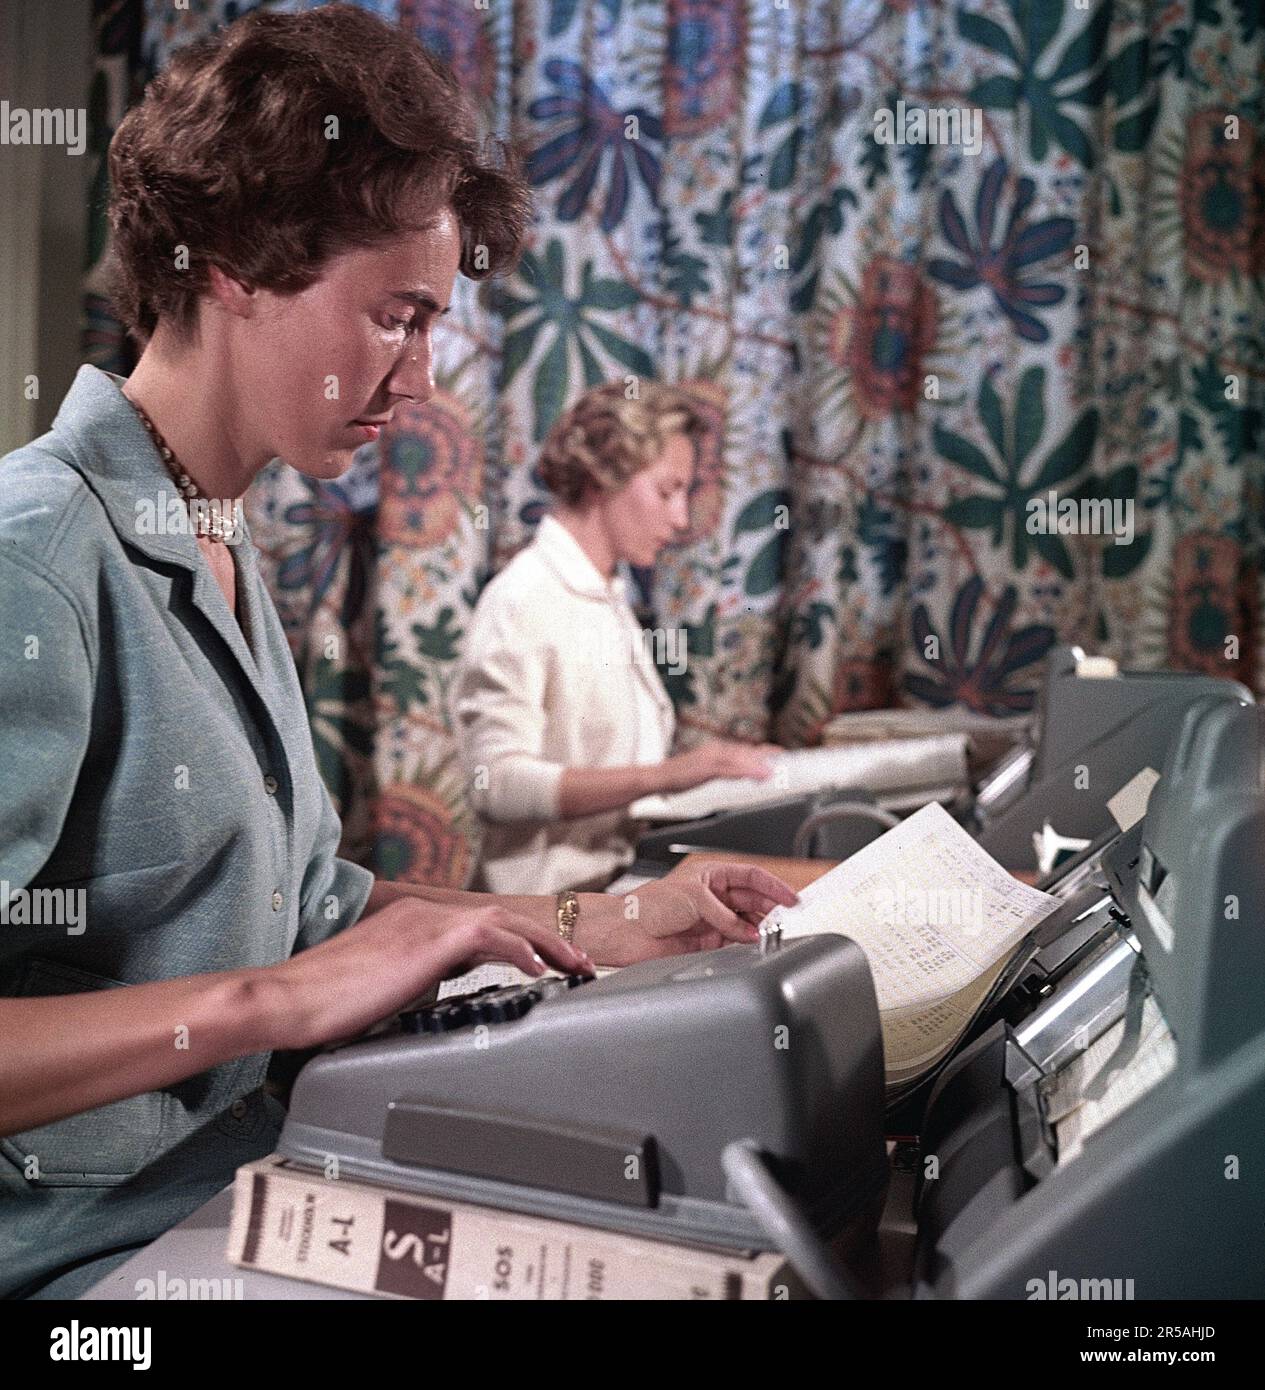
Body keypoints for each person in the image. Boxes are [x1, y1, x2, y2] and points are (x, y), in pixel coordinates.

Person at [0, 5, 797, 1299]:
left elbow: (317, 906)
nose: (420, 379)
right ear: (236, 266)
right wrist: (279, 1000)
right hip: (98, 1256)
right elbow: (296, 972)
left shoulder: (218, 536)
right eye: (396, 316)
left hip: (265, 1172)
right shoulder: (34, 554)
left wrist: (609, 920)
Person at [456, 381, 780, 894]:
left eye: (686, 494)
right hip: (540, 918)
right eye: (668, 491)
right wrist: (673, 774)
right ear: (602, 478)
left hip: (606, 896)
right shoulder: (524, 599)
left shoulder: (603, 592)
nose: (681, 519)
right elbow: (495, 786)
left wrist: (718, 771)